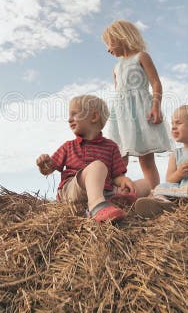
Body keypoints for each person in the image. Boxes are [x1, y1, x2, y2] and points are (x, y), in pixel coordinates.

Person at [36, 95, 151, 223]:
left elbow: (117, 176)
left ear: (94, 117)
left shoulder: (111, 147)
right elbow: (49, 169)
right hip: (74, 190)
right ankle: (96, 207)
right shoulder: (68, 146)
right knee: (98, 166)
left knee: (145, 184)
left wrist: (124, 181)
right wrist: (44, 164)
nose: (69, 119)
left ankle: (115, 200)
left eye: (74, 114)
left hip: (105, 190)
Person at [101, 20, 174, 189]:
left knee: (146, 157)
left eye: (109, 43)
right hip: (122, 117)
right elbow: (119, 94)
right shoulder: (116, 68)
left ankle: (154, 193)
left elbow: (156, 83)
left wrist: (156, 106)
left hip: (142, 112)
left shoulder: (141, 57)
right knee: (120, 156)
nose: (108, 49)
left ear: (121, 37)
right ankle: (119, 192)